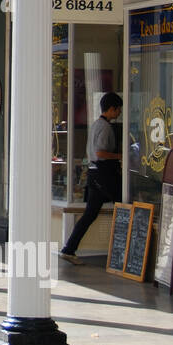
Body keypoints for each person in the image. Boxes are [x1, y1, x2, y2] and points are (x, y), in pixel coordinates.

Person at [61, 92, 124, 264]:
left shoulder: (96, 124)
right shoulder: (105, 127)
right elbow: (100, 153)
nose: (119, 113)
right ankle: (123, 253)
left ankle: (69, 249)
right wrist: (120, 155)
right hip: (104, 174)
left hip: (94, 174)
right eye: (118, 110)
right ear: (112, 109)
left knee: (90, 214)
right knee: (125, 205)